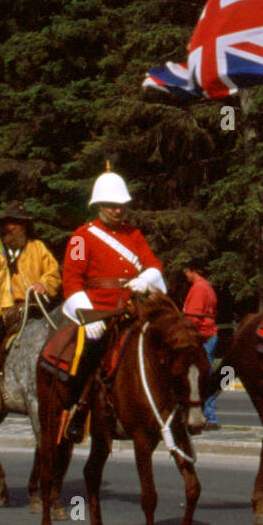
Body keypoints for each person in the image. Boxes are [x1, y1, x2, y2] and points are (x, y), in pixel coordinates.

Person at [58, 169, 167, 442]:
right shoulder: (81, 237)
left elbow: (153, 264)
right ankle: (77, 410)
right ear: (98, 205)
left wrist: (145, 279)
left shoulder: (134, 234)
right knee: (89, 354)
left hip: (132, 305)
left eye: (121, 205)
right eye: (111, 205)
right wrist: (87, 316)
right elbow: (71, 281)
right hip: (99, 309)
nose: (118, 210)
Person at [0, 201, 61, 416]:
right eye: (10, 223)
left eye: (19, 224)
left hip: (35, 307)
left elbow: (53, 273)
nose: (14, 228)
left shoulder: (38, 248)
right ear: (4, 226)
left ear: (26, 227)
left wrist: (43, 284)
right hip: (4, 309)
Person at [182, 261, 221, 428]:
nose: (185, 275)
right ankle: (210, 416)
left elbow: (193, 317)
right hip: (210, 335)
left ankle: (207, 416)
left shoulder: (198, 288)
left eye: (187, 272)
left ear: (193, 271)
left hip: (201, 336)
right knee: (207, 375)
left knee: (196, 378)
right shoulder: (208, 287)